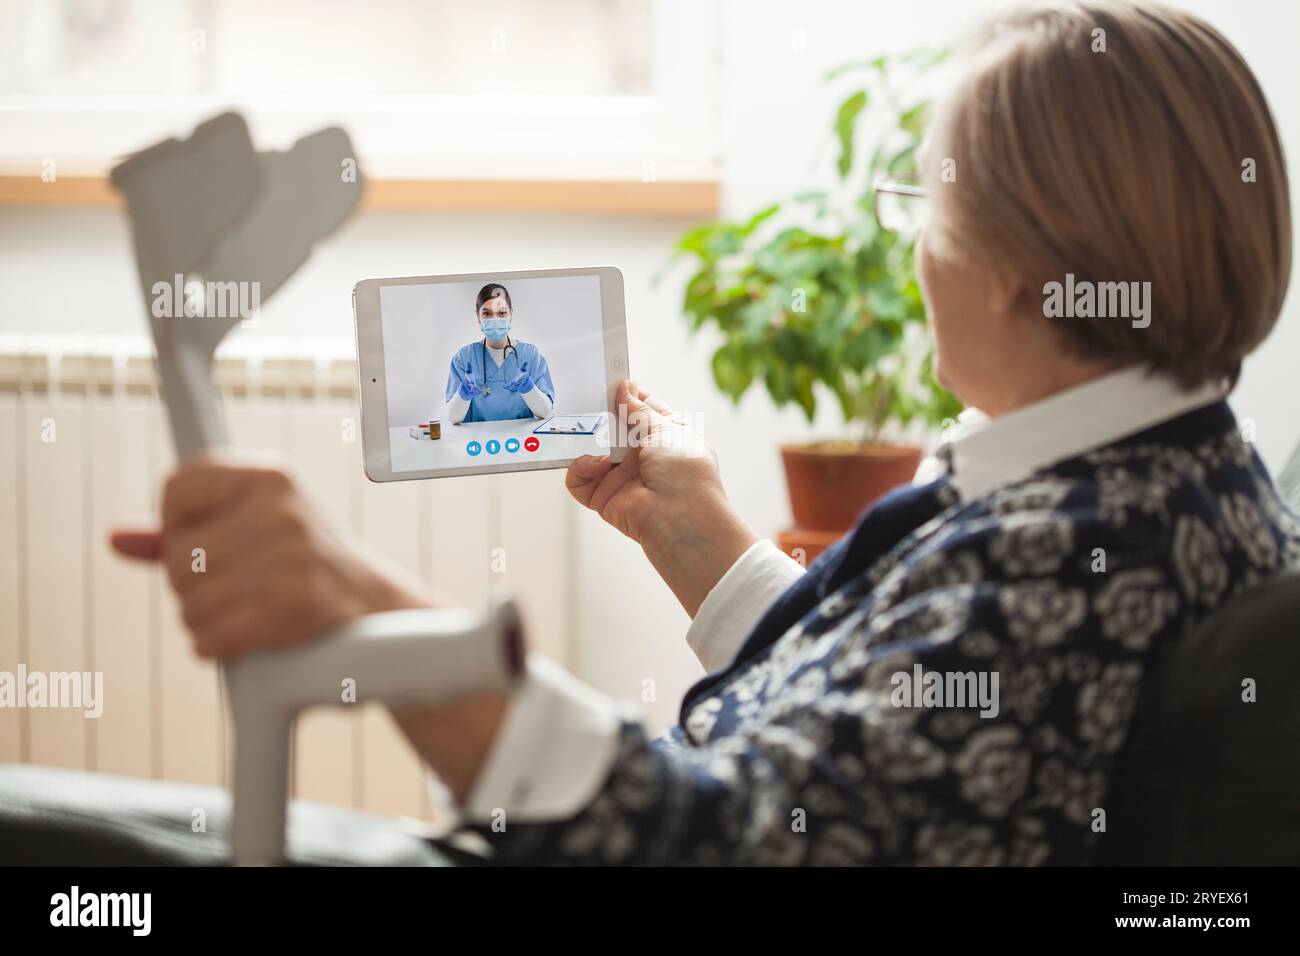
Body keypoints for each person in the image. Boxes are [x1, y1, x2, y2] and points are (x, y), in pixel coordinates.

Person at [111, 0, 1300, 864]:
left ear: (1017, 268)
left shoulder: (1066, 563)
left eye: (931, 206)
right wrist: (693, 532)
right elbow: (870, 737)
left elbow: (720, 842)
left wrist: (368, 607)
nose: (916, 247)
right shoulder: (1170, 477)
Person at [444, 282, 555, 424]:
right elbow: (452, 418)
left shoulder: (530, 355)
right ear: (478, 317)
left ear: (511, 315)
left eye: (502, 313)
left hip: (521, 440)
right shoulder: (464, 358)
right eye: (487, 313)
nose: (494, 319)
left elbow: (545, 411)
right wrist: (463, 393)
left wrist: (529, 388)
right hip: (478, 442)